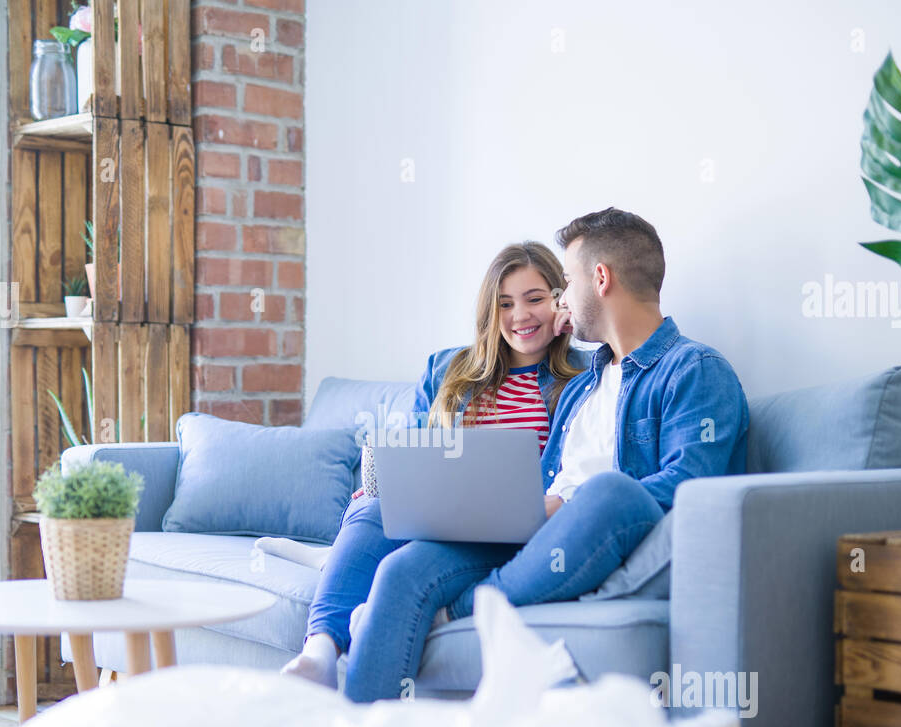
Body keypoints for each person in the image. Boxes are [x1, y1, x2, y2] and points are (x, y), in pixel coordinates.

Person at [312, 207, 751, 702]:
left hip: (591, 524)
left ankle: (465, 607)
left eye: (565, 281)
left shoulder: (694, 368)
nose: (563, 297)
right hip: (528, 531)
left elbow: (693, 485)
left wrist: (562, 507)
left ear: (600, 279)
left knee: (609, 492)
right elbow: (541, 478)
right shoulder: (588, 384)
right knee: (400, 570)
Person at [281, 241, 584, 687]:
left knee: (398, 559)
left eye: (535, 299)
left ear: (559, 300)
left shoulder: (580, 377)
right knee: (370, 505)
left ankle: (341, 567)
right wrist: (388, 482)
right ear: (489, 310)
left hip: (512, 529)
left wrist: (576, 320)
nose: (520, 315)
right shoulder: (450, 367)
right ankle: (319, 652)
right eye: (505, 303)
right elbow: (411, 448)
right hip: (439, 514)